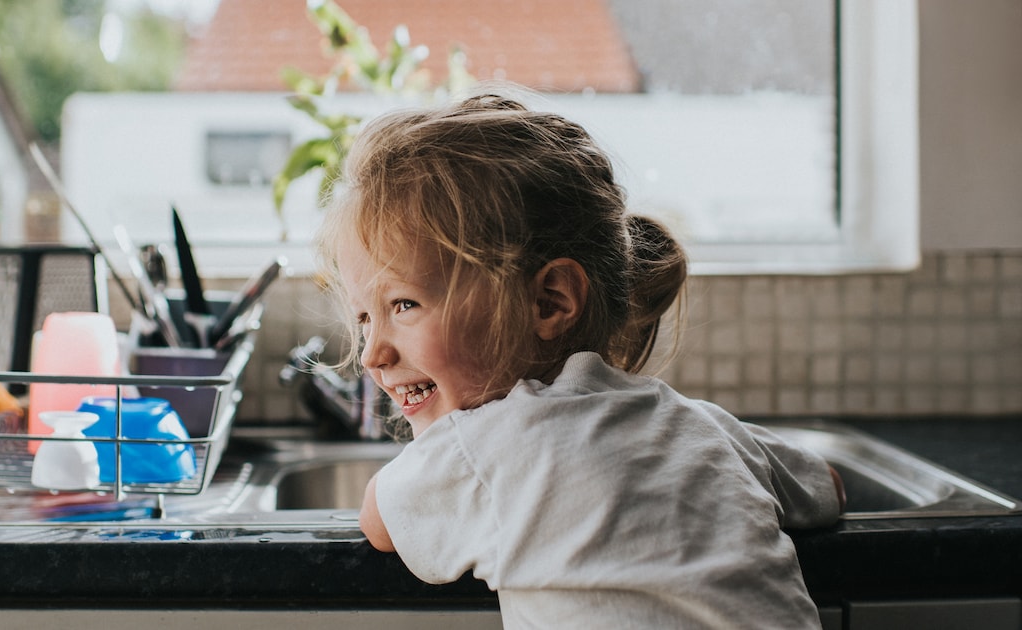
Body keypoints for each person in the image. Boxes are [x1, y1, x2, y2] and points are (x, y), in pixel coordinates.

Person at [315, 92, 845, 629]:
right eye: (364, 318)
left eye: (404, 305)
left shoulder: (483, 448)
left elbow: (378, 519)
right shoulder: (703, 426)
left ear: (549, 302)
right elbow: (829, 486)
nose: (372, 354)